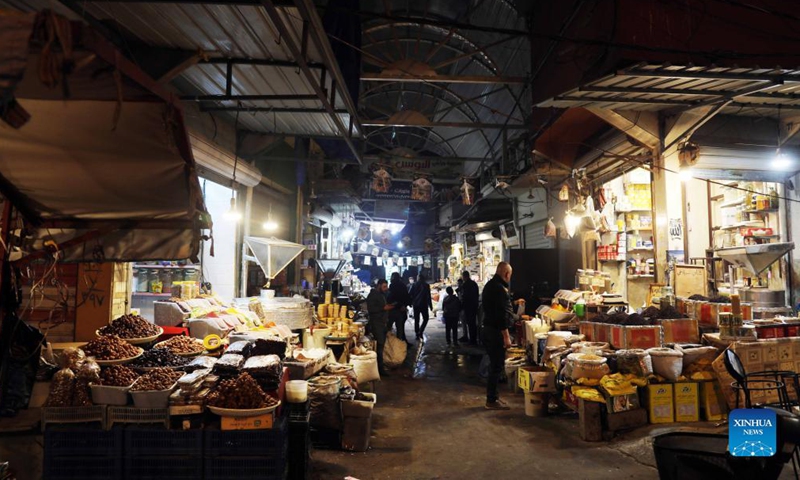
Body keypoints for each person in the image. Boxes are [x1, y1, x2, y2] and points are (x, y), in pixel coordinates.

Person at [481, 262, 515, 410]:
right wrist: (506, 336)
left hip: (488, 329)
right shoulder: (499, 289)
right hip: (495, 332)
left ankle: (493, 397)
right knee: (496, 366)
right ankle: (491, 400)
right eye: (510, 275)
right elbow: (500, 315)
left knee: (495, 365)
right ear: (506, 274)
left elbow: (499, 307)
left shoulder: (491, 285)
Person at [366, 279, 395, 376]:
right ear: (378, 286)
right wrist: (383, 308)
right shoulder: (372, 295)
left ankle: (381, 366)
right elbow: (371, 309)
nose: (386, 289)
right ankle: (380, 369)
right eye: (384, 287)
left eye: (386, 286)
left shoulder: (382, 295)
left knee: (381, 345)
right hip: (376, 323)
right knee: (379, 345)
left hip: (382, 323)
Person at [387, 272, 412, 343]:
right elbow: (406, 296)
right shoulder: (402, 285)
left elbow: (392, 297)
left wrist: (399, 305)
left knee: (390, 327)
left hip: (395, 308)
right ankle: (401, 342)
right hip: (401, 308)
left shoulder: (392, 285)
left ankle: (392, 343)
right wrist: (404, 305)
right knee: (400, 327)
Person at [409, 274, 433, 341]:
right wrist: (430, 305)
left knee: (417, 319)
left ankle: (417, 333)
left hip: (416, 304)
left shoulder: (414, 285)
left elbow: (410, 293)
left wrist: (410, 302)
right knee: (426, 318)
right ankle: (421, 331)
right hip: (423, 304)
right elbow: (428, 295)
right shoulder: (426, 285)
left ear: (418, 278)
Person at [460, 271, 480, 345]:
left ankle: (472, 340)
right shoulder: (474, 284)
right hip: (474, 306)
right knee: (472, 323)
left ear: (465, 276)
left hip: (468, 306)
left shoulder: (466, 285)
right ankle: (473, 339)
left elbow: (464, 296)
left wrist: (462, 305)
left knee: (470, 323)